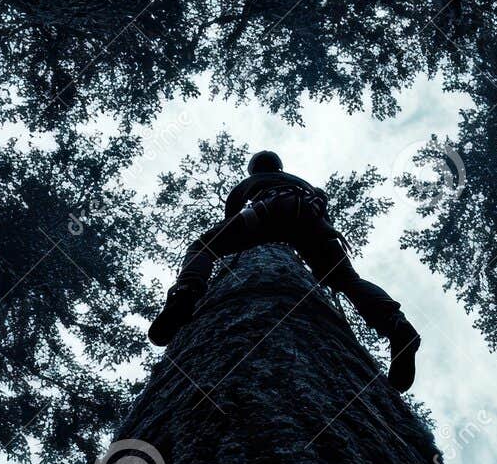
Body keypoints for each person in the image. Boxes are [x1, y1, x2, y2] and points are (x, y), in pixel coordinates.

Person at [148, 151, 421, 391]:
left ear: (256, 169)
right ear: (278, 166)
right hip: (315, 225)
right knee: (347, 280)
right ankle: (395, 324)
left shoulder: (251, 183)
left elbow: (231, 217)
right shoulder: (301, 182)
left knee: (203, 247)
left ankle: (185, 295)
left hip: (272, 213)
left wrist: (239, 232)